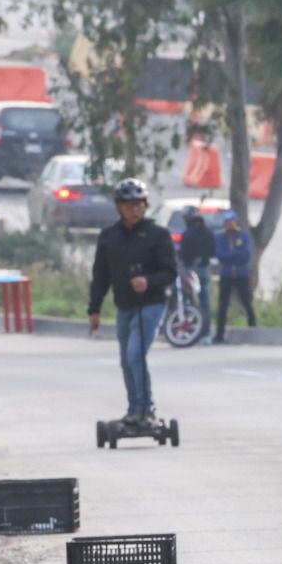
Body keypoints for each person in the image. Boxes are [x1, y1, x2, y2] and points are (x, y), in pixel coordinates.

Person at [87, 178, 178, 430]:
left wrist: (148, 281)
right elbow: (101, 276)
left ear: (146, 206)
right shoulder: (109, 237)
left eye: (139, 204)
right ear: (119, 207)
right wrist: (94, 308)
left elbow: (170, 272)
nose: (135, 209)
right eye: (129, 205)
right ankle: (133, 409)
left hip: (150, 304)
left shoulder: (158, 235)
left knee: (135, 354)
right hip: (124, 306)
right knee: (126, 360)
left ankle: (145, 409)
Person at [213, 210, 256, 343]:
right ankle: (219, 335)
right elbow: (220, 256)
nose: (229, 225)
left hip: (241, 274)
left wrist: (231, 255)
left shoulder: (243, 237)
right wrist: (234, 255)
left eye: (231, 222)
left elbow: (246, 256)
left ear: (235, 222)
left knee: (247, 301)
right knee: (223, 304)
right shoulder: (220, 238)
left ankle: (253, 329)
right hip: (226, 275)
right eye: (227, 222)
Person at [179, 210, 217, 344]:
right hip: (204, 270)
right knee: (205, 303)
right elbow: (213, 252)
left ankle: (189, 330)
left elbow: (182, 254)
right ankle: (206, 333)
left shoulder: (188, 234)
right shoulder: (209, 233)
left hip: (190, 270)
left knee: (187, 302)